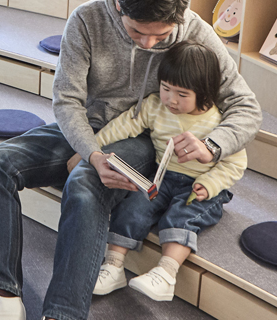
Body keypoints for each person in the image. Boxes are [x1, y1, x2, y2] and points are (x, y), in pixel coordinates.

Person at [0, 0, 261, 320]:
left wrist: (213, 145)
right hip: (88, 127)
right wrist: (92, 152)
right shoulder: (86, 20)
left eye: (161, 37)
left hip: (145, 137)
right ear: (119, 4)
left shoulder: (193, 30)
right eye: (138, 32)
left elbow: (246, 107)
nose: (149, 44)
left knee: (85, 182)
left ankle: (63, 314)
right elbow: (67, 101)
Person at [92, 41, 247, 302]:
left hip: (199, 186)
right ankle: (113, 265)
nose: (171, 100)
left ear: (204, 93)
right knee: (132, 206)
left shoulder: (218, 122)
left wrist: (209, 184)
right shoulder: (155, 106)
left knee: (181, 215)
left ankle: (165, 274)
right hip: (161, 178)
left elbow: (236, 163)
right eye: (165, 88)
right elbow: (123, 126)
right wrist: (92, 148)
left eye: (182, 95)